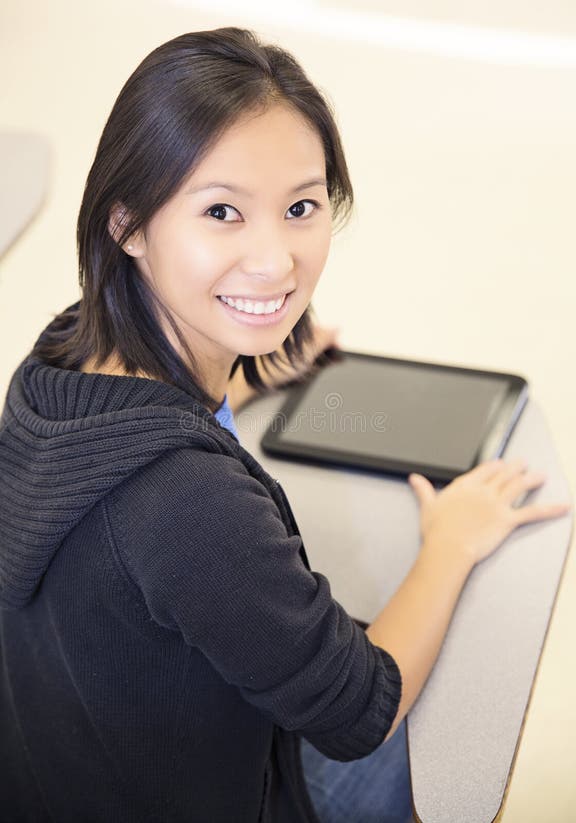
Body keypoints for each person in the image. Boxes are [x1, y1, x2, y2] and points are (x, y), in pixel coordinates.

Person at [0, 27, 569, 823]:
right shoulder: (183, 504)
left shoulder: (60, 355)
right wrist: (450, 542)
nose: (276, 262)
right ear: (128, 225)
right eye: (223, 212)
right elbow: (358, 707)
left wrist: (253, 353)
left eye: (301, 206)